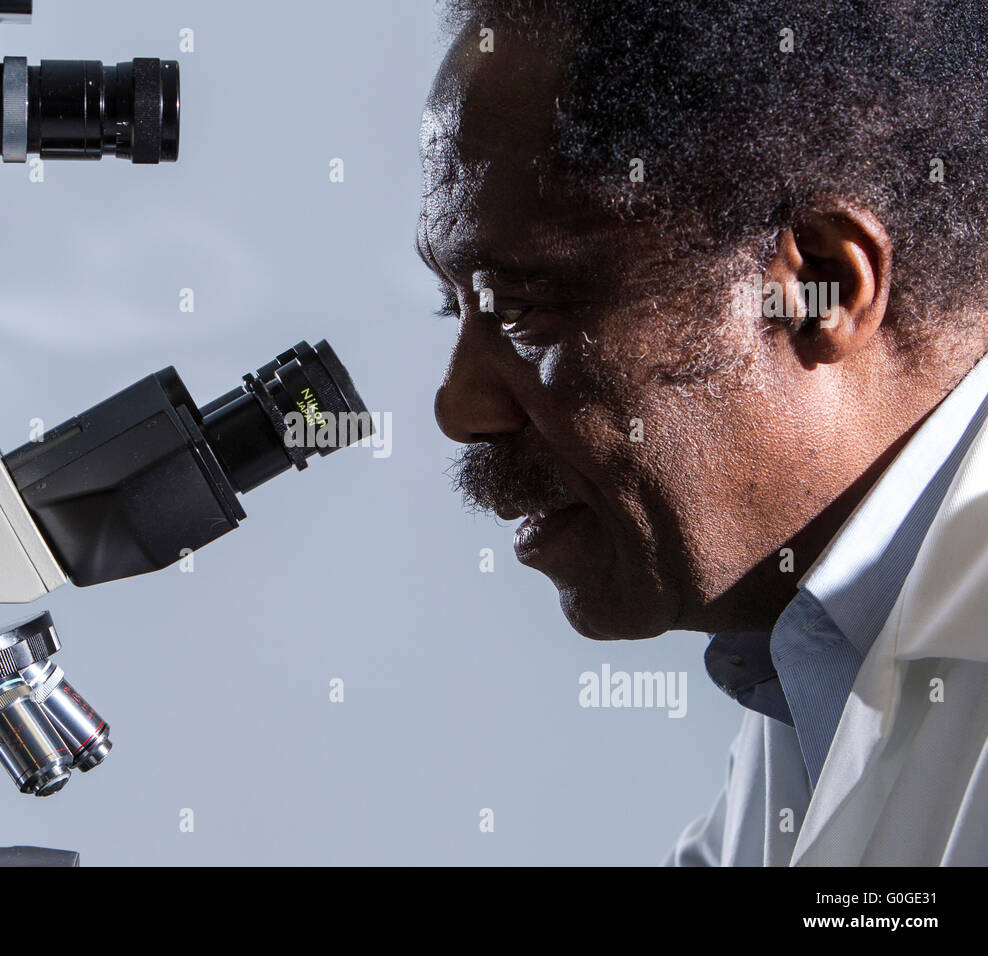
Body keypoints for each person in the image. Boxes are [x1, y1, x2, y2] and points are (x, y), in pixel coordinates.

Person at [420, 0, 988, 864]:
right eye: (451, 309)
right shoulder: (816, 656)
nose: (461, 410)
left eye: (528, 312)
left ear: (817, 290)